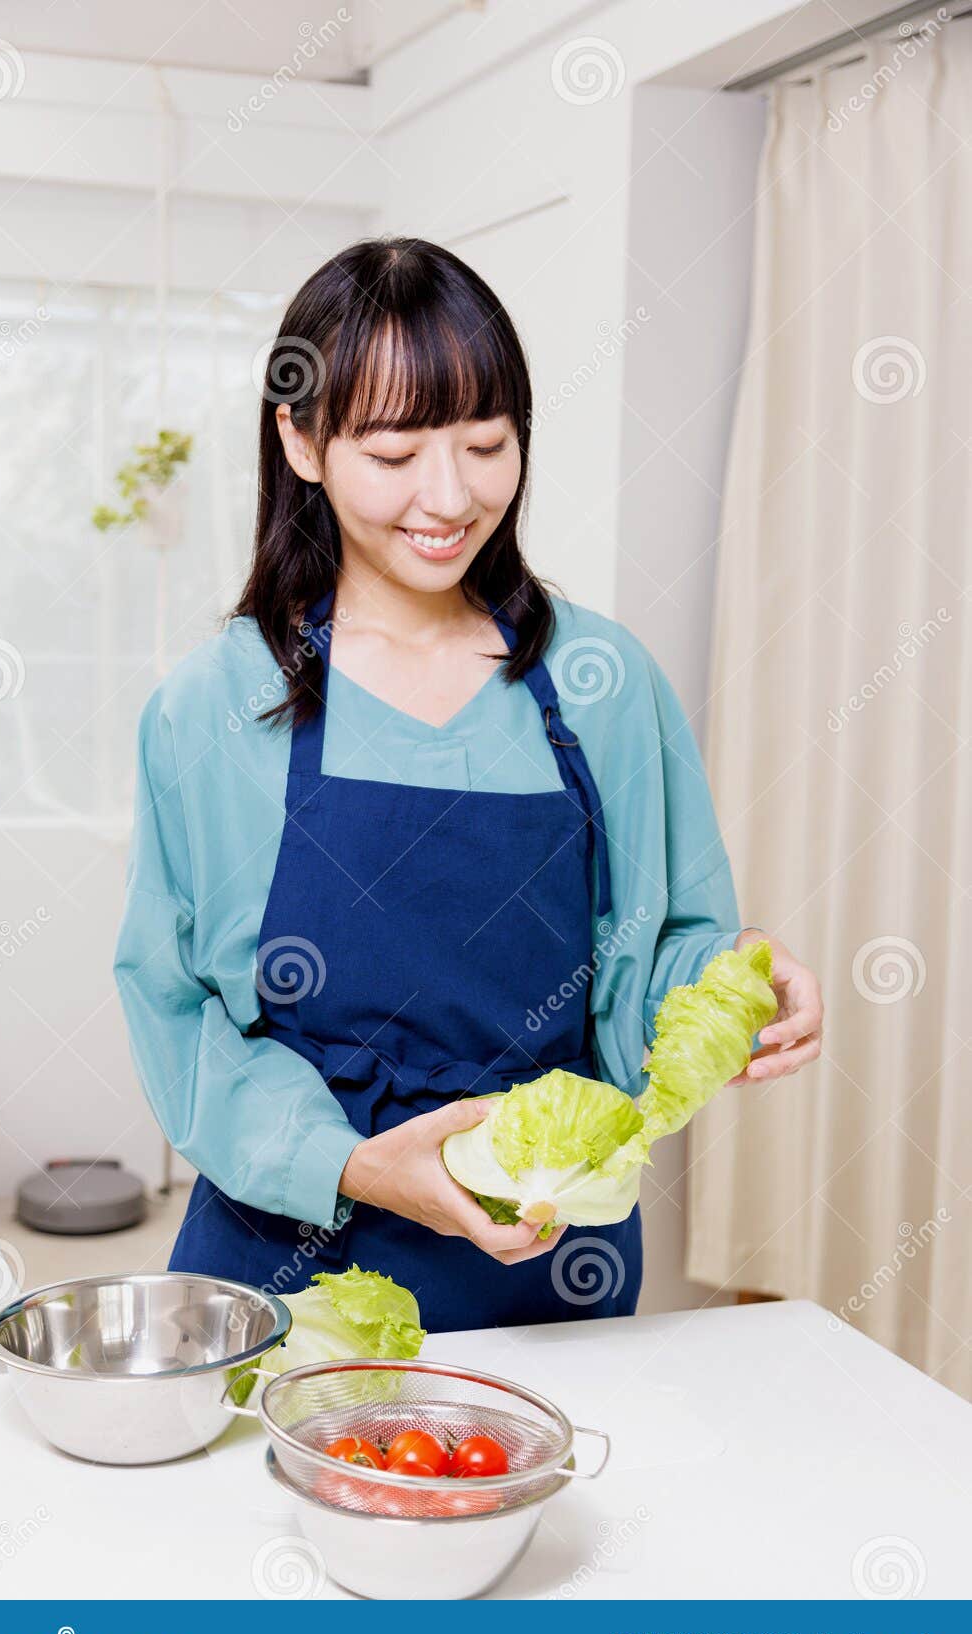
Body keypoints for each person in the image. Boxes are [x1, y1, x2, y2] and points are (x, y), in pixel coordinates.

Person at [113, 237, 823, 1332]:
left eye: (485, 444)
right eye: (393, 453)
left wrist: (735, 981)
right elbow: (178, 1012)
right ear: (300, 441)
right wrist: (355, 1164)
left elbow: (655, 951)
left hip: (543, 1250)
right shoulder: (218, 704)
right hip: (287, 1267)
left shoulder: (599, 682)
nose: (447, 497)